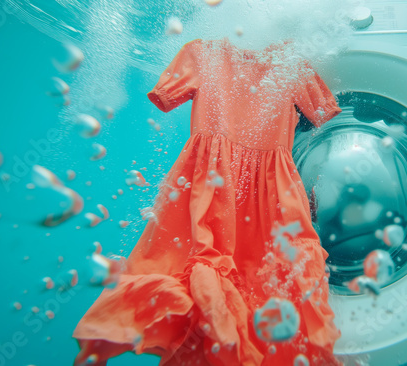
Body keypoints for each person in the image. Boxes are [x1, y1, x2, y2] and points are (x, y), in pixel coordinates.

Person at [73, 38, 343, 366]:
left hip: (225, 181)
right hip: (260, 186)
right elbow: (321, 111)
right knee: (263, 269)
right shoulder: (209, 51)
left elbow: (167, 93)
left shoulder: (219, 52)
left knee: (215, 260)